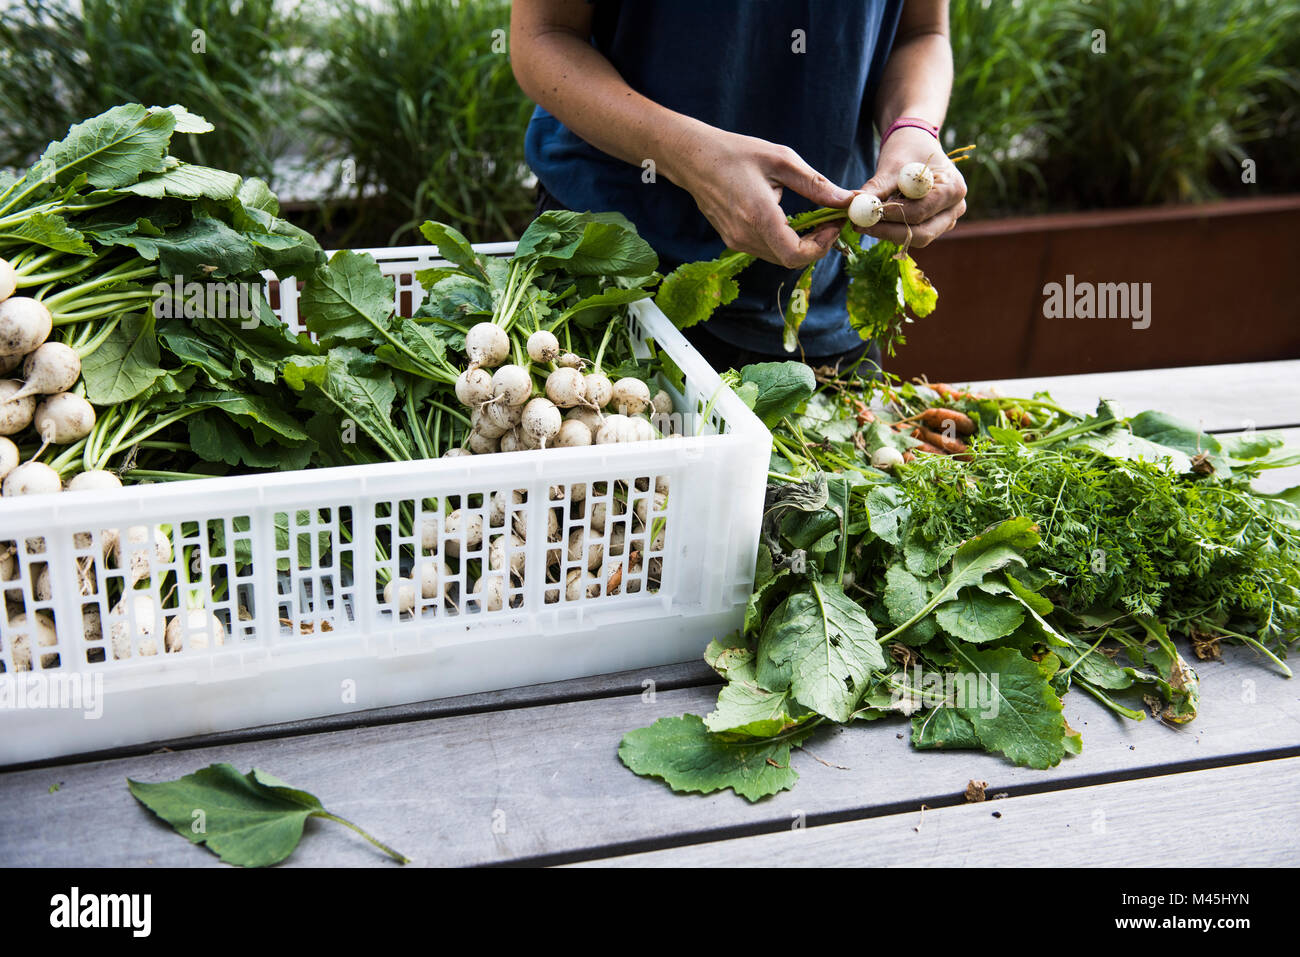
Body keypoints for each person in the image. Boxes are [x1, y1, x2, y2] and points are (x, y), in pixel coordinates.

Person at [510, 0, 967, 373]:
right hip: (611, 274)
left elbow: (921, 32)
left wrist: (912, 126)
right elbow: (543, 36)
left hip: (822, 304)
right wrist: (685, 156)